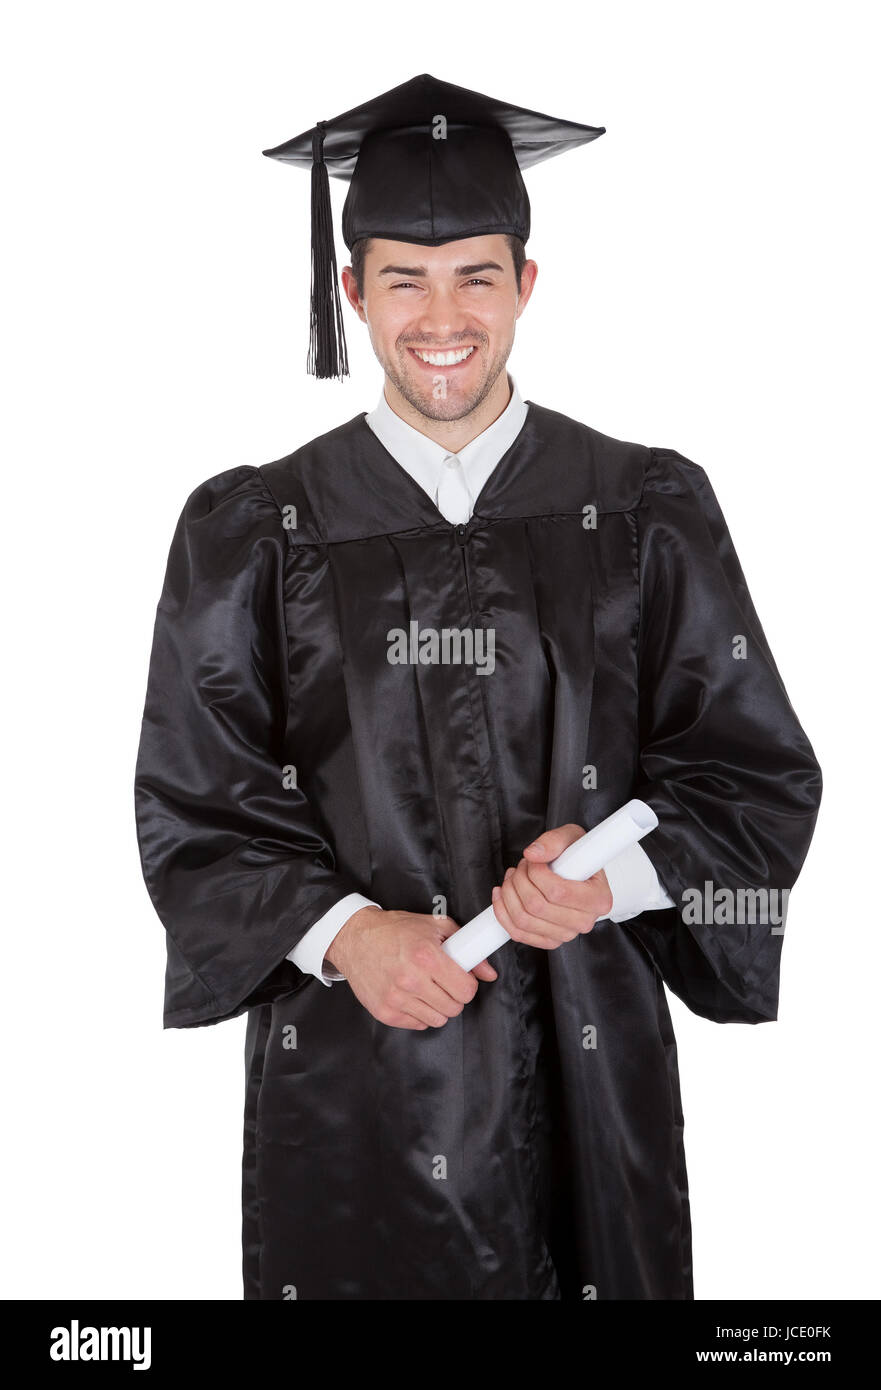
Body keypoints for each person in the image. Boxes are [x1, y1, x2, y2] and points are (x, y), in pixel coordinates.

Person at [134, 73, 822, 1300]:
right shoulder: (258, 529)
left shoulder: (645, 508)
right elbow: (199, 806)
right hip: (357, 1082)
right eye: (402, 277)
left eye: (475, 277)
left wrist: (610, 882)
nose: (439, 315)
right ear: (349, 291)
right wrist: (347, 935)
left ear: (526, 286)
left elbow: (752, 774)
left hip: (588, 1065)